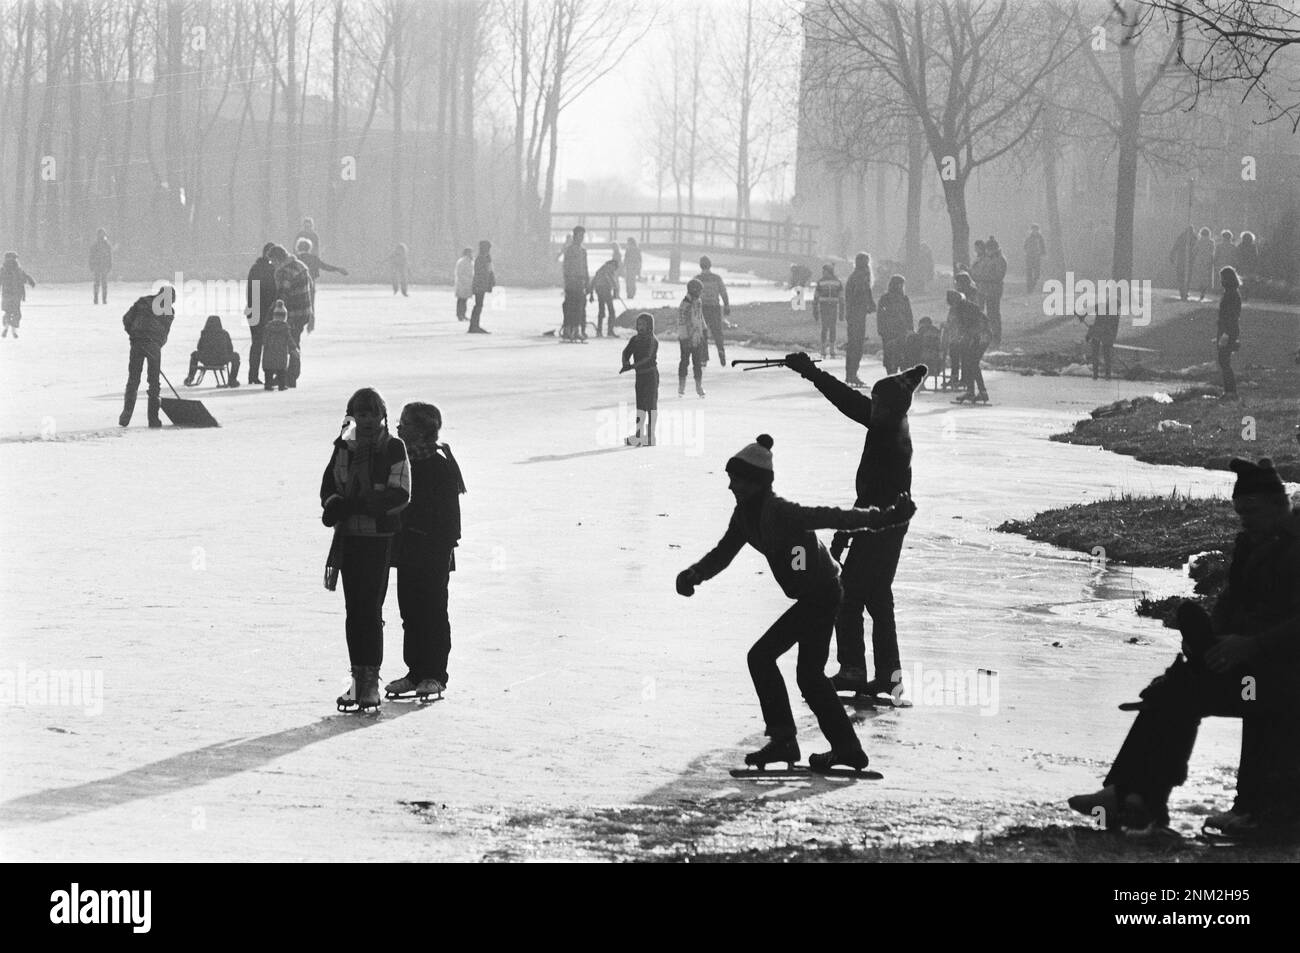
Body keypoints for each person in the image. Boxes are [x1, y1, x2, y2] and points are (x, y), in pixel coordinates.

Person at [1070, 458, 1300, 839]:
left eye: (1252, 512)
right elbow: (1230, 601)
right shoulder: (1250, 544)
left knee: (1186, 689)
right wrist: (1211, 639)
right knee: (1178, 685)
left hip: (1285, 673)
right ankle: (1133, 797)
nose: (1245, 521)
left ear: (1282, 504)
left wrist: (1252, 645)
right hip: (1256, 668)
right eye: (1240, 513)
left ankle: (1140, 798)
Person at [675, 432, 916, 771]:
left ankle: (786, 740)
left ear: (756, 483)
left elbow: (835, 516)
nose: (731, 488)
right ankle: (843, 748)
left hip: (823, 593)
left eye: (737, 481)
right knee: (809, 676)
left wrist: (888, 516)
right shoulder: (744, 516)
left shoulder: (782, 511)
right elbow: (724, 552)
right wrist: (694, 574)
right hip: (813, 595)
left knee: (762, 658)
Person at [783, 354, 926, 700]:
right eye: (873, 402)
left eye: (877, 403)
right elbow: (848, 401)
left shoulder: (889, 438)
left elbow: (871, 501)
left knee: (847, 595)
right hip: (890, 521)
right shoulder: (889, 420)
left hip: (882, 522)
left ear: (891, 408)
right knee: (878, 597)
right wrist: (812, 373)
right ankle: (889, 677)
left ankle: (852, 670)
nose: (871, 407)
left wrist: (844, 534)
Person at [321, 388, 411, 712]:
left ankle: (371, 683)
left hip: (378, 540)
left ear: (382, 415)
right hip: (350, 540)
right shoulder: (343, 447)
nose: (367, 420)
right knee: (353, 611)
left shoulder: (393, 447)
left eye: (372, 413)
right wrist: (335, 505)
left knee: (370, 611)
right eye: (361, 414)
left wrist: (362, 504)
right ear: (353, 416)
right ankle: (357, 679)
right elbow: (328, 485)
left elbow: (401, 492)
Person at [386, 402, 466, 700]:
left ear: (420, 430)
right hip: (408, 547)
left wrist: (444, 546)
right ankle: (415, 672)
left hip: (433, 550)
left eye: (405, 423)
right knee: (410, 610)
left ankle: (434, 674)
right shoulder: (405, 461)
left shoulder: (438, 462)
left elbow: (449, 514)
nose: (398, 426)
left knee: (432, 610)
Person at [118, 285, 176, 428]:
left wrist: (134, 334)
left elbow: (126, 319)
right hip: (153, 345)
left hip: (137, 343)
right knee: (154, 382)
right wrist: (156, 345)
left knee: (133, 379)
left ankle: (126, 415)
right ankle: (153, 419)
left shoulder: (143, 301)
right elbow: (164, 332)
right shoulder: (168, 311)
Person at [268, 243, 314, 386]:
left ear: (277, 259)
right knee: (295, 341)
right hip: (305, 311)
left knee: (289, 344)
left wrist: (273, 311)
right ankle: (289, 374)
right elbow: (311, 287)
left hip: (293, 313)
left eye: (272, 261)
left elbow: (282, 294)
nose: (272, 264)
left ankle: (290, 376)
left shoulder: (285, 272)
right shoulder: (300, 265)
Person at [619, 312, 659, 446]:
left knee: (650, 406)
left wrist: (632, 366)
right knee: (640, 407)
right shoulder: (635, 339)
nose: (640, 327)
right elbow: (626, 352)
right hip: (640, 376)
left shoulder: (653, 341)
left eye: (643, 324)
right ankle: (638, 435)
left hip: (650, 376)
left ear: (649, 326)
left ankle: (650, 436)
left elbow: (647, 357)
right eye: (639, 324)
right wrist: (625, 362)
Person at [949, 289, 991, 404]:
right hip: (980, 336)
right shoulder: (964, 307)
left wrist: (965, 338)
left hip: (981, 336)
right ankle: (972, 391)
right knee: (969, 362)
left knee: (972, 363)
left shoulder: (965, 309)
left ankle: (980, 392)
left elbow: (973, 327)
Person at [246, 242, 278, 385]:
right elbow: (273, 292)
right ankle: (268, 376)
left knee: (256, 344)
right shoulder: (273, 270)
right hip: (267, 311)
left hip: (254, 310)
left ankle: (253, 375)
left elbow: (251, 291)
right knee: (269, 345)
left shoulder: (255, 268)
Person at [843, 253, 875, 386]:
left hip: (854, 314)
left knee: (853, 345)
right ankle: (852, 374)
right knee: (856, 345)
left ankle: (850, 374)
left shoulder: (855, 276)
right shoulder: (861, 277)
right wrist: (867, 305)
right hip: (857, 315)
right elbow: (861, 293)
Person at [184, 314, 241, 387]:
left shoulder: (204, 334)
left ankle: (190, 377)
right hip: (221, 360)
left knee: (194, 355)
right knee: (236, 356)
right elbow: (230, 349)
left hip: (206, 360)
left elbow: (199, 347)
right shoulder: (224, 334)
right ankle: (232, 379)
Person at [694, 256, 730, 366]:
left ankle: (704, 358)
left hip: (702, 309)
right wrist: (727, 305)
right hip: (715, 307)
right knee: (717, 331)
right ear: (710, 265)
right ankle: (721, 351)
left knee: (703, 333)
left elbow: (693, 295)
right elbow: (723, 292)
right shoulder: (717, 278)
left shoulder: (697, 279)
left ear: (700, 265)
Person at [876, 275, 914, 376]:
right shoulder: (886, 299)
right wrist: (881, 329)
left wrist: (910, 329)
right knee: (890, 356)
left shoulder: (904, 299)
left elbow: (909, 315)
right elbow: (880, 315)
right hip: (889, 332)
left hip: (900, 332)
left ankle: (897, 375)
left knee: (901, 355)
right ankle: (892, 375)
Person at [294, 238, 349, 306]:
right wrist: (338, 269)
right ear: (309, 248)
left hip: (297, 287)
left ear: (298, 247)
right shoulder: (314, 258)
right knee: (311, 306)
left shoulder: (295, 259)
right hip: (311, 285)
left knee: (299, 305)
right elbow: (325, 267)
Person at [677, 278, 707, 398]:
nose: (701, 293)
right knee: (684, 362)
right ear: (693, 290)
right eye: (699, 291)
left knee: (697, 363)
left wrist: (704, 329)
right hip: (686, 338)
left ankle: (699, 386)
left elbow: (700, 316)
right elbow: (681, 322)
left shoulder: (698, 301)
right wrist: (685, 338)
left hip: (697, 337)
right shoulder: (684, 305)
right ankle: (681, 386)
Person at [260, 300, 296, 391]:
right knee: (281, 371)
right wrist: (294, 348)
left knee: (268, 371)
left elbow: (264, 340)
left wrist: (265, 345)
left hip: (269, 354)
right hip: (281, 354)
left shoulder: (268, 327)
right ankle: (281, 385)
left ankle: (268, 385)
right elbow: (289, 339)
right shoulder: (285, 328)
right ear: (285, 317)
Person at [977, 236, 1007, 347]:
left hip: (994, 291)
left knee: (993, 314)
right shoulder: (988, 258)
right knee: (985, 314)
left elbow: (998, 276)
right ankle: (987, 337)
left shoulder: (1000, 259)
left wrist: (983, 278)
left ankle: (996, 337)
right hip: (984, 290)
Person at [1217, 266, 1242, 400]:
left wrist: (1225, 334)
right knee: (1224, 361)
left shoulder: (1231, 295)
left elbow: (1231, 316)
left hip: (1228, 331)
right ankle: (1229, 390)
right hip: (1226, 330)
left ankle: (1230, 391)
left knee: (1224, 361)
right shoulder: (1232, 293)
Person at [562, 226, 589, 341]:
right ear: (575, 236)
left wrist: (587, 280)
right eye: (580, 235)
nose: (582, 238)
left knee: (579, 307)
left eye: (583, 236)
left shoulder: (583, 251)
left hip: (580, 281)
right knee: (570, 307)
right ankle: (568, 329)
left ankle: (576, 330)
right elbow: (566, 266)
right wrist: (568, 279)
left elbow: (585, 267)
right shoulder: (570, 250)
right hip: (571, 282)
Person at [0, 252, 36, 339]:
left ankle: (6, 323)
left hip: (6, 294)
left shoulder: (3, 269)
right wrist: (31, 282)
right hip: (16, 295)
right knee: (16, 312)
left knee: (8, 311)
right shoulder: (17, 269)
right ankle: (14, 327)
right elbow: (25, 277)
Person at [812, 264, 844, 360]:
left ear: (828, 271)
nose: (823, 273)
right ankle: (829, 349)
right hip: (829, 307)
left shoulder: (821, 282)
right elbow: (841, 298)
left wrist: (815, 310)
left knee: (827, 327)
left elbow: (816, 297)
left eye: (824, 271)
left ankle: (826, 349)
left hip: (826, 307)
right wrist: (842, 310)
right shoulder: (837, 282)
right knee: (829, 327)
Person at [588, 258, 621, 338]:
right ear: (613, 265)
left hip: (599, 291)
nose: (615, 270)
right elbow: (612, 281)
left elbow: (593, 282)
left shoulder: (600, 269)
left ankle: (599, 331)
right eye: (615, 268)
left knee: (601, 311)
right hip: (605, 291)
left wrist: (591, 294)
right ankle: (610, 331)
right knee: (611, 311)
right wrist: (615, 291)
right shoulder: (609, 270)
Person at [468, 239, 494, 334]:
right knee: (478, 305)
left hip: (480, 284)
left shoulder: (483, 257)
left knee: (479, 305)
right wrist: (488, 283)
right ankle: (474, 326)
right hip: (479, 285)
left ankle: (474, 325)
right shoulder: (482, 258)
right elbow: (484, 272)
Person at [1169, 225, 1195, 301]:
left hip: (1182, 260)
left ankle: (1183, 292)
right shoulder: (1193, 237)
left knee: (1181, 277)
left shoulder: (1182, 237)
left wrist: (1172, 256)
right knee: (1186, 277)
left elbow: (1175, 247)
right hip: (1188, 260)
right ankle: (1184, 292)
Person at [89, 228, 113, 305]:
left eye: (102, 233)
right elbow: (91, 256)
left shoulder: (107, 245)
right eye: (100, 233)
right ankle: (96, 298)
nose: (101, 235)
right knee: (97, 283)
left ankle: (104, 299)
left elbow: (110, 256)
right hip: (97, 267)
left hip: (104, 267)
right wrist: (91, 265)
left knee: (104, 284)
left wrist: (109, 265)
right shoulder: (95, 245)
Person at [1192, 227, 1216, 301]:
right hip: (1207, 260)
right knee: (1206, 276)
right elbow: (1213, 251)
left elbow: (1194, 251)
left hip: (1199, 260)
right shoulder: (1211, 242)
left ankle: (1200, 289)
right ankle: (1203, 291)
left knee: (1199, 275)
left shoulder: (1199, 241)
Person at [1024, 224, 1046, 294]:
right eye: (1033, 229)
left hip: (1037, 257)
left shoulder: (1040, 238)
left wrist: (1042, 253)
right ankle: (1029, 288)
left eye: (1036, 229)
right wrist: (1027, 251)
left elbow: (1043, 246)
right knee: (1029, 272)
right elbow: (1025, 246)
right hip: (1029, 256)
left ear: (1038, 230)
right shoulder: (1028, 237)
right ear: (1031, 230)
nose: (1034, 231)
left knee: (1037, 273)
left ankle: (1033, 284)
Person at [454, 247, 474, 321]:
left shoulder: (469, 261)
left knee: (464, 300)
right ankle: (460, 315)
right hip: (462, 283)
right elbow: (460, 273)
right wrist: (466, 280)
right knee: (461, 300)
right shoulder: (462, 261)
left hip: (467, 283)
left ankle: (463, 314)